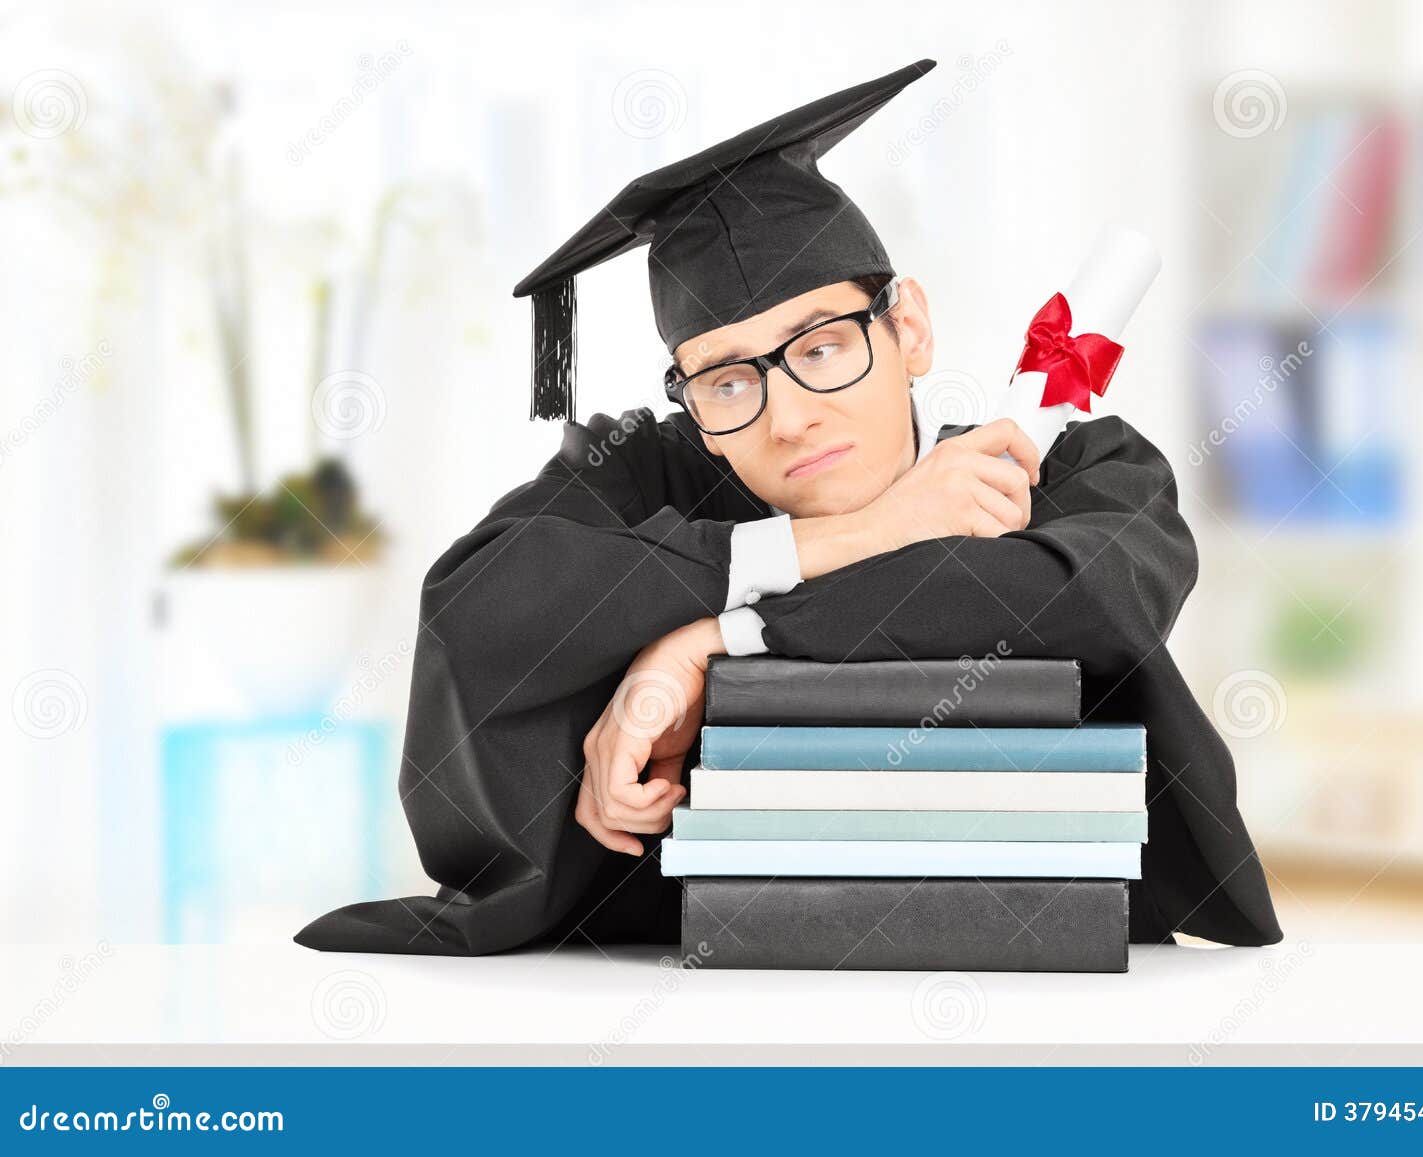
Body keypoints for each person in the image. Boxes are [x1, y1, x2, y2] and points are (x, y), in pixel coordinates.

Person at [295, 59, 1283, 956]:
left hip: (1044, 962)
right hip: (696, 973)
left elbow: (1082, 598)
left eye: (821, 346)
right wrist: (864, 532)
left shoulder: (1066, 468)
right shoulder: (644, 468)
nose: (791, 417)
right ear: (690, 398)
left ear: (909, 327)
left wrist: (717, 638)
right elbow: (480, 607)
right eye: (727, 380)